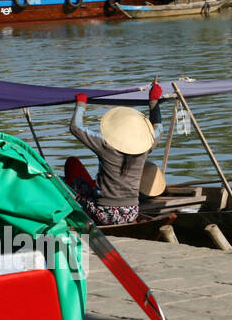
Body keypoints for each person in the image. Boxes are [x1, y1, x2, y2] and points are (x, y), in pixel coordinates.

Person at [64, 84, 162, 226]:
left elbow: (76, 127)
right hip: (131, 212)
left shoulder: (105, 145)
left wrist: (81, 103)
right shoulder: (145, 147)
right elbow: (159, 128)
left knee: (73, 170)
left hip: (104, 213)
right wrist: (154, 101)